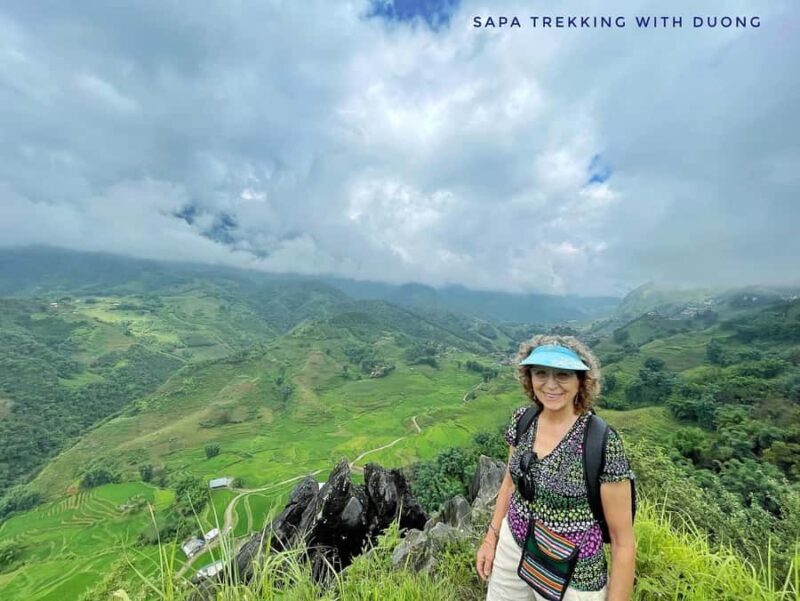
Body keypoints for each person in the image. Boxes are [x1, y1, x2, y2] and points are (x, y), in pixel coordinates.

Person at [476, 335, 635, 601]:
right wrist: (491, 540)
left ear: (581, 380)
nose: (551, 385)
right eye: (541, 373)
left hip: (573, 572)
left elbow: (623, 542)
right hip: (513, 547)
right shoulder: (523, 420)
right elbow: (510, 483)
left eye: (563, 374)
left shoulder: (600, 442)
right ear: (529, 377)